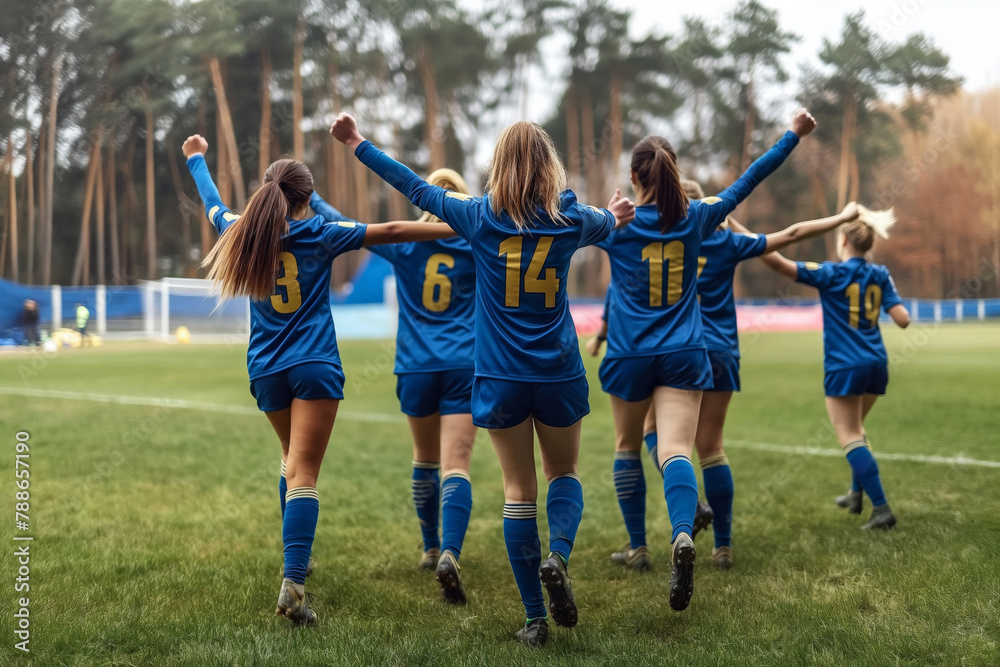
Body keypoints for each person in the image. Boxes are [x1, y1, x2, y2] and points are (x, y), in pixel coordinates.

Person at [330, 113, 635, 647]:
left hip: (498, 375)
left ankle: (535, 620)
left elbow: (410, 183)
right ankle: (557, 555)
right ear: (550, 167)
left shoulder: (477, 216)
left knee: (519, 491)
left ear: (498, 165)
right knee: (563, 474)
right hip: (559, 370)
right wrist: (615, 212)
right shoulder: (571, 218)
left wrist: (357, 141)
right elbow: (610, 223)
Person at [182, 133, 458, 625]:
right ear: (308, 197)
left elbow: (212, 207)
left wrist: (197, 159)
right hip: (315, 366)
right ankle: (293, 583)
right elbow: (393, 231)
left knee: (290, 462)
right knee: (304, 470)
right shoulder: (325, 233)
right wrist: (454, 225)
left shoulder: (241, 231)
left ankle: (299, 560)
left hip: (265, 369)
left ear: (268, 193)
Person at [596, 109, 816, 612]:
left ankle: (638, 547)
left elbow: (559, 223)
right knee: (677, 449)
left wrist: (610, 213)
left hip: (629, 354)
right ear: (675, 173)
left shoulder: (616, 224)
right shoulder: (698, 217)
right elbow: (750, 179)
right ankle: (682, 535)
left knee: (629, 446)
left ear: (634, 176)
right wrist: (793, 135)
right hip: (684, 352)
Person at [312, 168, 478, 606]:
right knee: (456, 462)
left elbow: (346, 225)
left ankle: (428, 545)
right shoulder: (477, 241)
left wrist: (312, 199)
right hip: (465, 362)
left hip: (416, 366)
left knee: (424, 460)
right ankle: (451, 552)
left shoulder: (405, 243)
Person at [755, 207, 909, 530]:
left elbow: (775, 261)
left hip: (844, 364)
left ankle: (881, 509)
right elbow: (903, 319)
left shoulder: (831, 273)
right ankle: (856, 493)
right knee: (858, 428)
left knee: (849, 433)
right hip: (876, 362)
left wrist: (744, 233)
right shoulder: (880, 274)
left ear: (843, 240)